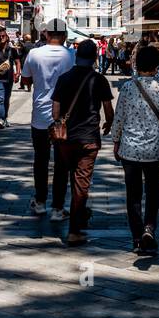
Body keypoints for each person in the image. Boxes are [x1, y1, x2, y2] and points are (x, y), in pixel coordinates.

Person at [111, 44, 159, 255]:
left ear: (136, 64)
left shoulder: (128, 88)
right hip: (155, 150)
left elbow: (118, 117)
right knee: (154, 191)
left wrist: (116, 141)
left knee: (133, 195)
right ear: (157, 66)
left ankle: (137, 237)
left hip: (130, 149)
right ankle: (150, 227)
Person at [51, 40, 115, 246]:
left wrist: (59, 125)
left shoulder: (64, 78)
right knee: (81, 184)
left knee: (70, 175)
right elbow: (108, 109)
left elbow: (55, 111)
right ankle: (75, 230)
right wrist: (108, 125)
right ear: (95, 58)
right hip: (88, 139)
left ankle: (72, 213)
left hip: (65, 140)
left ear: (76, 57)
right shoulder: (99, 80)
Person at [21, 19, 75, 218]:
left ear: (45, 34)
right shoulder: (71, 55)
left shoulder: (34, 54)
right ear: (64, 35)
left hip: (40, 116)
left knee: (41, 160)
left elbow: (25, 79)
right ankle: (58, 208)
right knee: (62, 163)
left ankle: (41, 201)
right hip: (64, 118)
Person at [0, 29, 19, 127]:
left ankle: (5, 118)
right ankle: (0, 119)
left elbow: (17, 62)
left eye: (3, 36)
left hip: (9, 79)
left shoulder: (12, 50)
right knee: (0, 99)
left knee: (6, 99)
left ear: (7, 38)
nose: (1, 38)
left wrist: (18, 73)